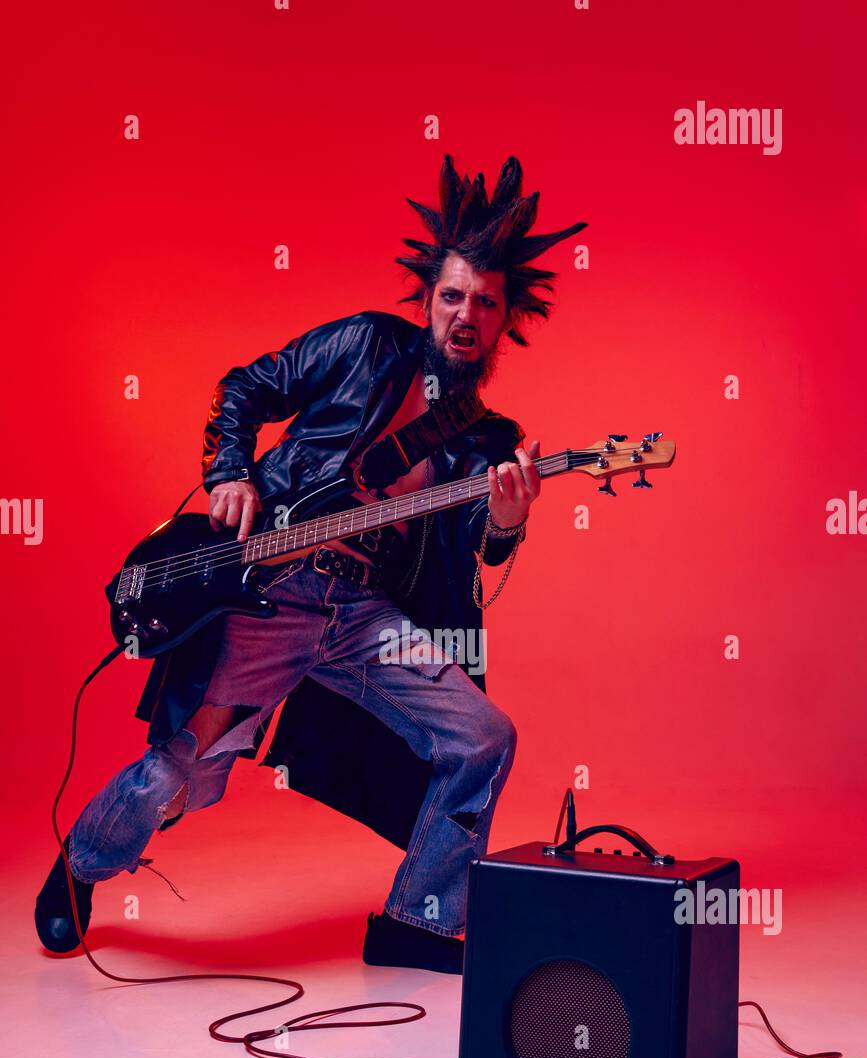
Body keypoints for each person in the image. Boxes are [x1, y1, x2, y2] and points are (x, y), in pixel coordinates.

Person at [36, 154, 586, 973]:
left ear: (507, 319)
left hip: (365, 618)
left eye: (484, 302)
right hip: (273, 592)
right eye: (451, 296)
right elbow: (245, 388)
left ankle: (419, 922)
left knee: (482, 737)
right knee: (180, 767)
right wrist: (228, 470)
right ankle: (84, 862)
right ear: (427, 299)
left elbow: (484, 540)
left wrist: (507, 518)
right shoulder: (363, 344)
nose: (464, 315)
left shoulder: (487, 438)